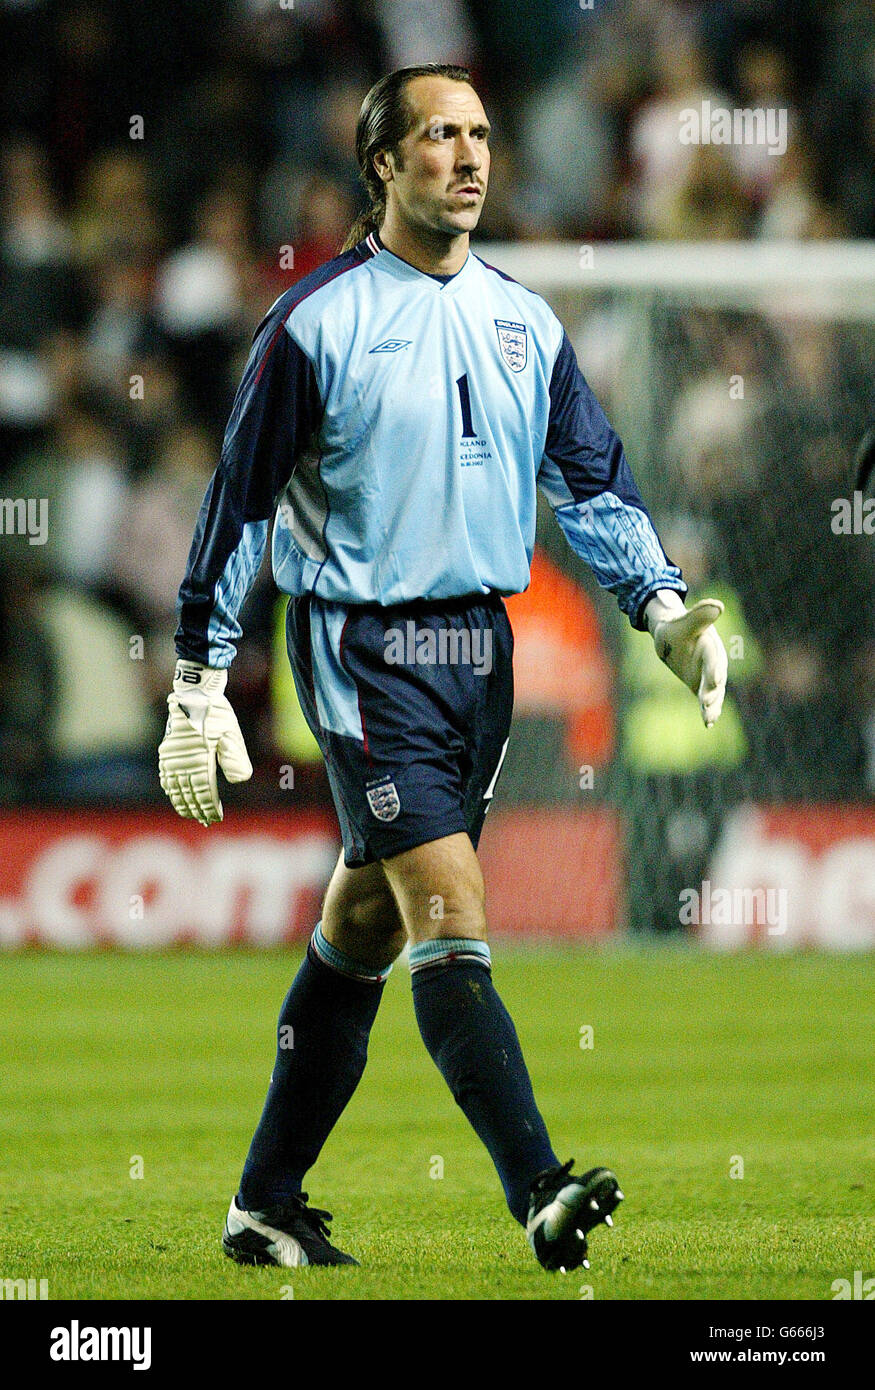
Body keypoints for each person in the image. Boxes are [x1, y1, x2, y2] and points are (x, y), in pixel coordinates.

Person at [158, 64, 728, 1274]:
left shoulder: (524, 321)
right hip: (363, 644)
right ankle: (538, 1190)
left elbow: (590, 482)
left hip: (480, 647)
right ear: (382, 163)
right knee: (449, 908)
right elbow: (240, 506)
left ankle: (262, 1201)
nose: (466, 158)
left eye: (478, 135)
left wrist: (664, 609)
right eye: (437, 137)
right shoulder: (314, 325)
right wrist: (200, 678)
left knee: (362, 917)